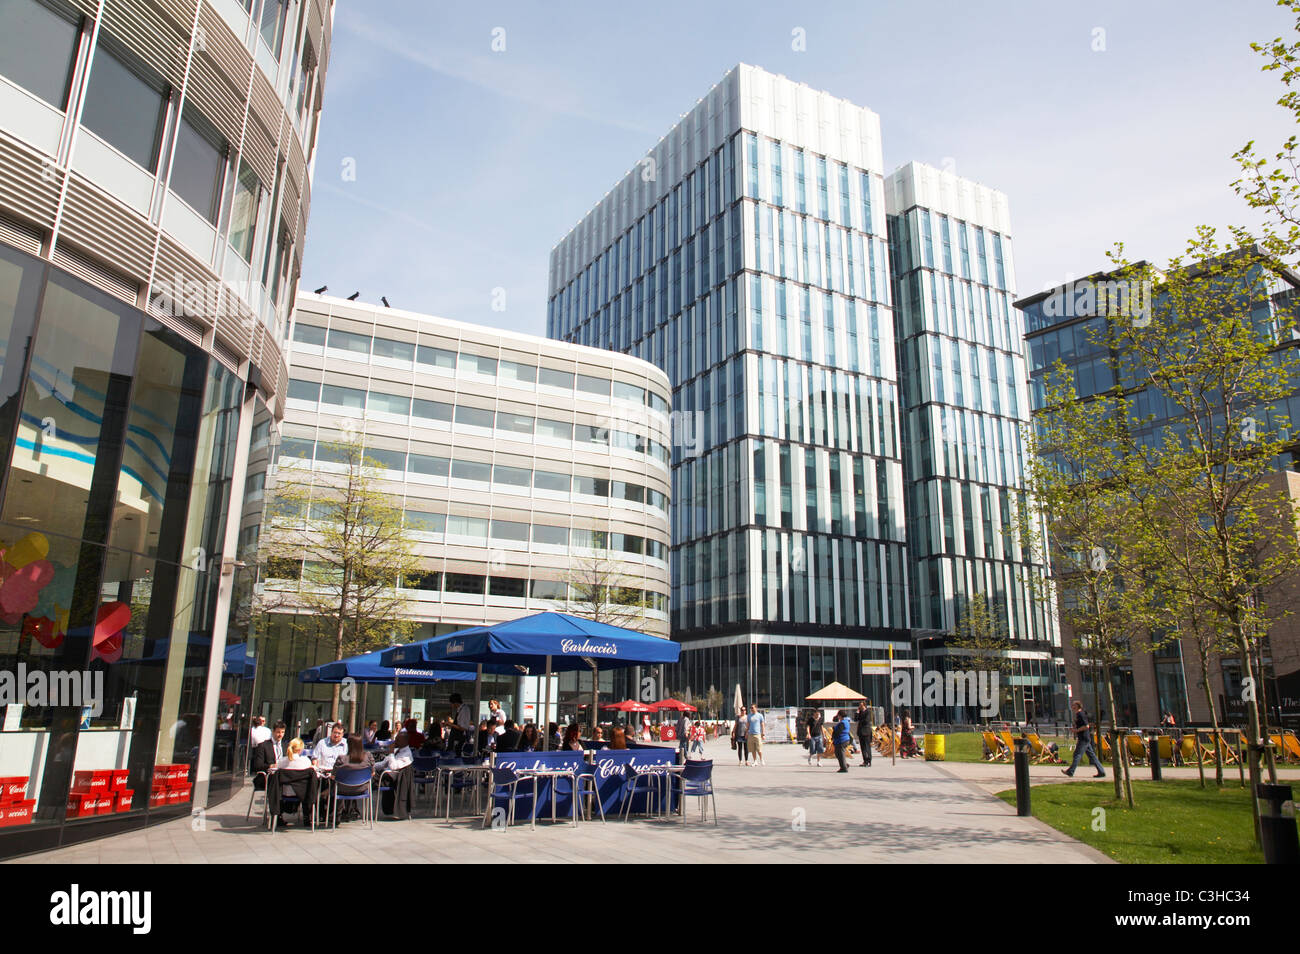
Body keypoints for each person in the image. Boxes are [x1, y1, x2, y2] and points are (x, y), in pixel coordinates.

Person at [329, 734, 375, 822]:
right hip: (361, 789)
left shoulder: (341, 759)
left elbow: (333, 776)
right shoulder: (368, 757)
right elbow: (372, 773)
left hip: (342, 789)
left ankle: (336, 814)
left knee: (335, 785)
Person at [1062, 701, 1105, 778]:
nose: (1072, 706)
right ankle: (1101, 771)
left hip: (1084, 738)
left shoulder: (1081, 714)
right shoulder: (1078, 715)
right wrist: (1075, 728)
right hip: (1085, 738)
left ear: (1078, 706)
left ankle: (1070, 771)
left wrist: (1076, 730)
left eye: (1074, 705)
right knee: (1092, 756)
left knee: (1077, 754)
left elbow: (1086, 726)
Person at [856, 701, 873, 767]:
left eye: (861, 705)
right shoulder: (859, 712)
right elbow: (855, 719)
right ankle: (865, 760)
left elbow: (866, 720)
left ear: (864, 706)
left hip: (866, 731)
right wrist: (857, 712)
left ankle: (869, 761)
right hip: (860, 732)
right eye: (859, 705)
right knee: (862, 747)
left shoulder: (868, 712)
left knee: (867, 747)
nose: (860, 706)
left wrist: (861, 720)